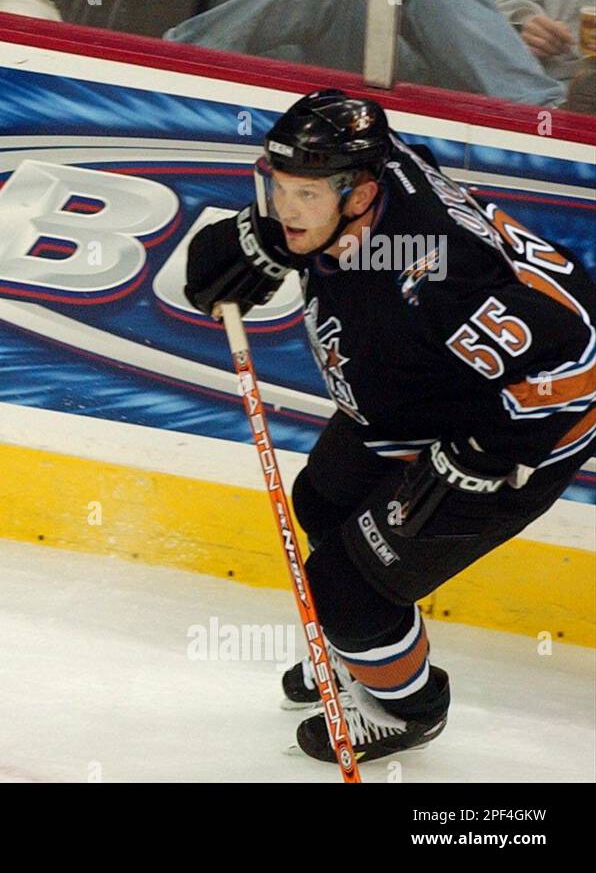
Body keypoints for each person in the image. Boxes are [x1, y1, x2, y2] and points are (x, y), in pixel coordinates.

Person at [184, 89, 596, 763]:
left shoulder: (435, 274)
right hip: (427, 392)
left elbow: (577, 351)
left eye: (306, 196)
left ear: (359, 194)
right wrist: (268, 240)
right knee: (322, 501)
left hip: (517, 431)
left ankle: (407, 706)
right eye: (279, 186)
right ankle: (361, 655)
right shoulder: (370, 178)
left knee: (345, 593)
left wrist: (485, 451)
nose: (286, 207)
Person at [166, 0, 567, 109]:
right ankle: (174, 63)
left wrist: (516, 20)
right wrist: (522, 14)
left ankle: (541, 113)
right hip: (369, 46)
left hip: (467, 71)